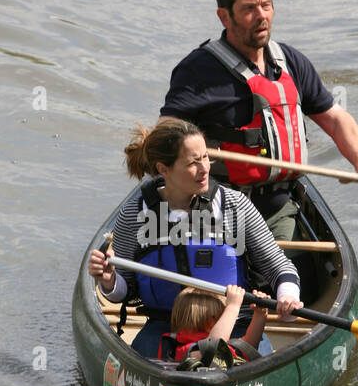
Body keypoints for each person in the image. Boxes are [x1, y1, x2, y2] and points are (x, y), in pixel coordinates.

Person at [161, 0, 358, 239]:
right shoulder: (198, 70)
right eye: (249, 9)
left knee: (283, 278)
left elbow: (336, 119)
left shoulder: (290, 61)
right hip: (217, 210)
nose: (261, 16)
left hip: (278, 208)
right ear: (224, 16)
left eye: (266, 6)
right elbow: (167, 133)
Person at [87, 117, 302, 357]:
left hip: (234, 324)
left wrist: (288, 297)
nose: (205, 168)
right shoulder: (135, 214)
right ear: (163, 169)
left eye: (205, 157)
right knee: (142, 358)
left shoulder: (234, 205)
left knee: (243, 360)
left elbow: (278, 267)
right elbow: (122, 292)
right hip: (163, 328)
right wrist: (108, 279)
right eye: (192, 163)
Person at [157, 283, 269, 366]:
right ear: (211, 320)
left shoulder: (220, 344)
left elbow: (247, 346)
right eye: (222, 314)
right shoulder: (184, 350)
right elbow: (212, 348)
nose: (226, 318)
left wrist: (259, 314)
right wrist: (233, 307)